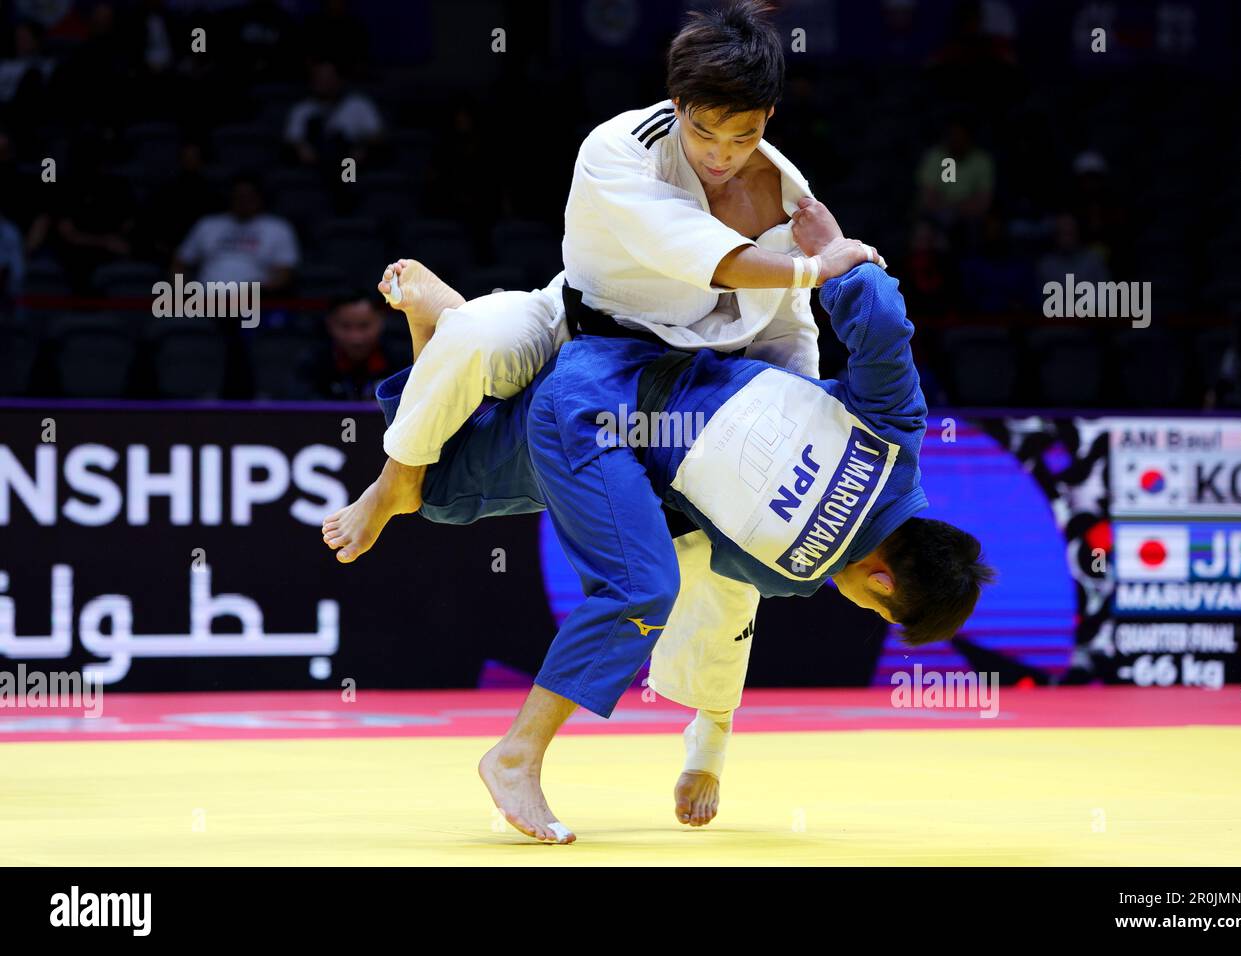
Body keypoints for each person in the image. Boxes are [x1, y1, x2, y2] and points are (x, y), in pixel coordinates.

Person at [325, 0, 884, 830]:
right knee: (478, 338)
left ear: (770, 115)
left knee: (724, 570)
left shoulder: (782, 189)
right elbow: (698, 254)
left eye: (744, 135)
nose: (724, 157)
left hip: (681, 376)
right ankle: (392, 481)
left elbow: (786, 332)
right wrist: (815, 268)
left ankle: (712, 734)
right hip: (577, 323)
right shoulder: (616, 150)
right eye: (706, 135)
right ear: (676, 103)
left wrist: (794, 413)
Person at [324, 232, 993, 843]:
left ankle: (447, 334)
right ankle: (515, 755)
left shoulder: (898, 435)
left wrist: (828, 256)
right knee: (637, 585)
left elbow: (879, 312)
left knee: (453, 481)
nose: (862, 607)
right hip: (593, 422)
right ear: (882, 581)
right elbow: (703, 573)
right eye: (876, 610)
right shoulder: (794, 571)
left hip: (629, 348)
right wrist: (710, 742)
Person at [173, 174, 299, 293]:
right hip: (206, 301)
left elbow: (284, 275)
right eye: (238, 196)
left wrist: (255, 291)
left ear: (260, 197)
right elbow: (179, 263)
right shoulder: (207, 224)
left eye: (248, 196)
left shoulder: (278, 228)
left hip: (256, 303)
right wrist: (185, 291)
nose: (243, 201)